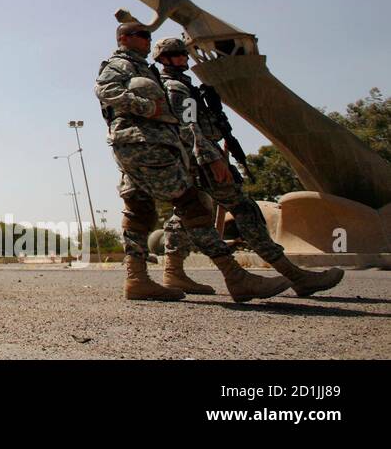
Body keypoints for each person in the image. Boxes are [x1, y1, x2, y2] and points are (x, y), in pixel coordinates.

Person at [97, 22, 291, 302]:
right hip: (143, 143)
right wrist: (150, 108)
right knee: (191, 204)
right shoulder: (121, 65)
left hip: (145, 143)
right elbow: (105, 90)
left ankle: (137, 279)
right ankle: (236, 277)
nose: (148, 40)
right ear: (124, 38)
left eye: (149, 36)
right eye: (142, 35)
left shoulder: (142, 67)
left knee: (139, 210)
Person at [153, 36, 343, 297]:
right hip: (202, 160)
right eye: (177, 54)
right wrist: (211, 158)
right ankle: (294, 274)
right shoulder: (175, 88)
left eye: (184, 54)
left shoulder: (180, 85)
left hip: (191, 160)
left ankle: (173, 272)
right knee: (244, 208)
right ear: (163, 59)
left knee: (188, 214)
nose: (183, 58)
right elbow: (189, 127)